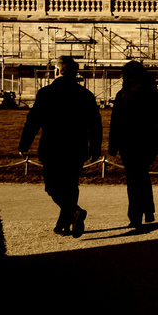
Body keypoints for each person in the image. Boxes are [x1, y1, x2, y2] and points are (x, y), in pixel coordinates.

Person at [18, 56, 102, 237]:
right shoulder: (85, 94)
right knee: (71, 185)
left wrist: (24, 144)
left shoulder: (46, 93)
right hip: (76, 148)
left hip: (52, 147)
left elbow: (33, 121)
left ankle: (73, 212)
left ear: (56, 71)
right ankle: (64, 223)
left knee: (52, 187)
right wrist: (95, 148)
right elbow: (95, 124)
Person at [108, 61, 158, 228]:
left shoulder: (123, 95)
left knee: (135, 178)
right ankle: (147, 210)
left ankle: (136, 215)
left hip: (131, 142)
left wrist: (113, 145)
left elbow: (116, 122)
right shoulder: (154, 94)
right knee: (141, 175)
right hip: (146, 142)